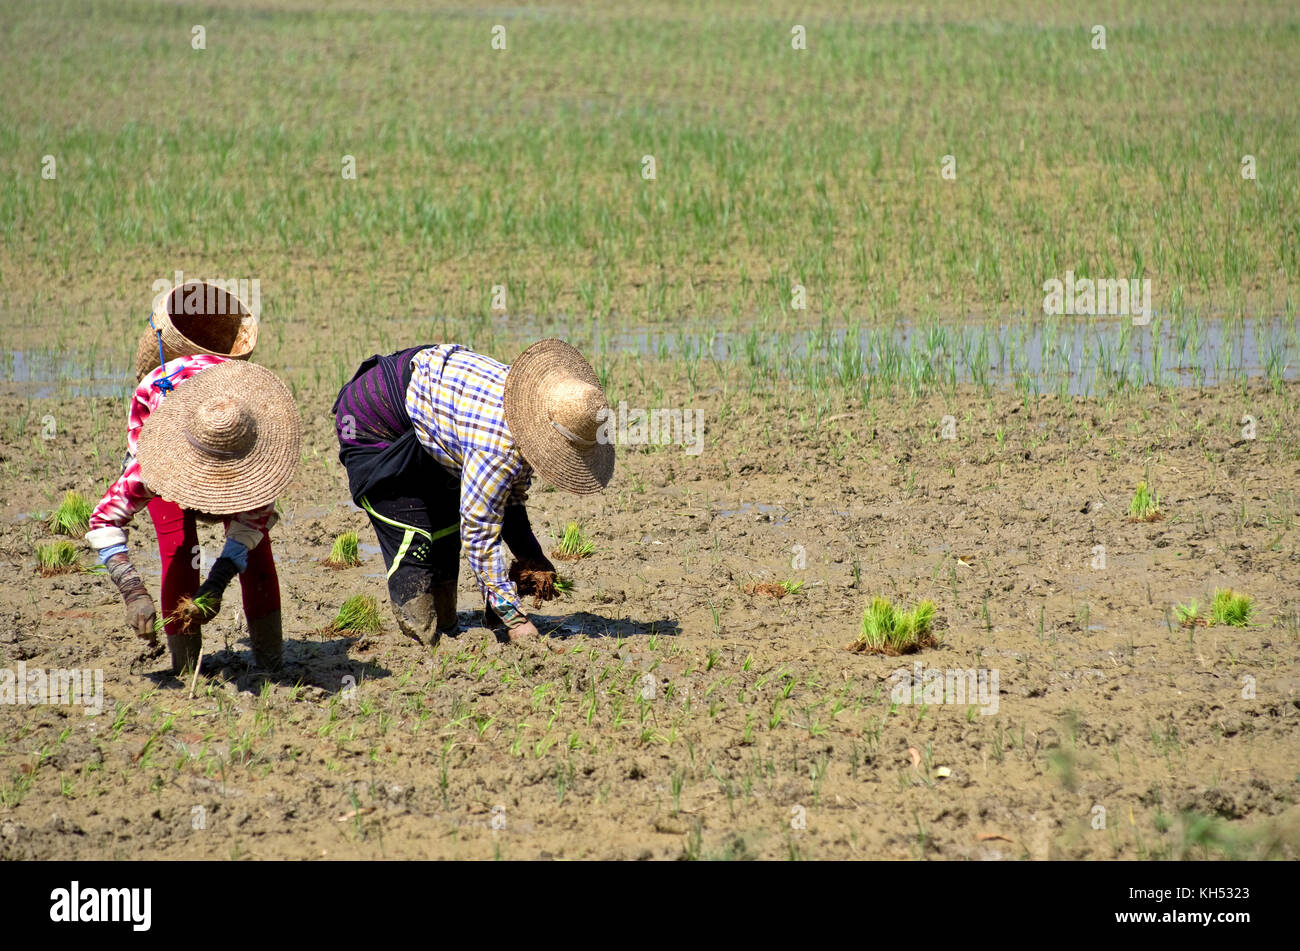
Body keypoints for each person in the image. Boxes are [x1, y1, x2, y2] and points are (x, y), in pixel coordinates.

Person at [332, 339, 614, 647]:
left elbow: (507, 495)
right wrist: (514, 618)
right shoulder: (497, 446)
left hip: (426, 412)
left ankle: (449, 624)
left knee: (447, 538)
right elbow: (479, 532)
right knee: (416, 539)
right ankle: (419, 645)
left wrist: (530, 555)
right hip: (372, 418)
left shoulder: (533, 405)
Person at [85, 358, 301, 674]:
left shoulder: (261, 453)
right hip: (165, 419)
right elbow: (104, 520)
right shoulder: (152, 468)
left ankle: (271, 664)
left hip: (230, 410)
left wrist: (217, 580)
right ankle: (185, 668)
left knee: (257, 554)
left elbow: (251, 524)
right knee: (180, 547)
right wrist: (133, 593)